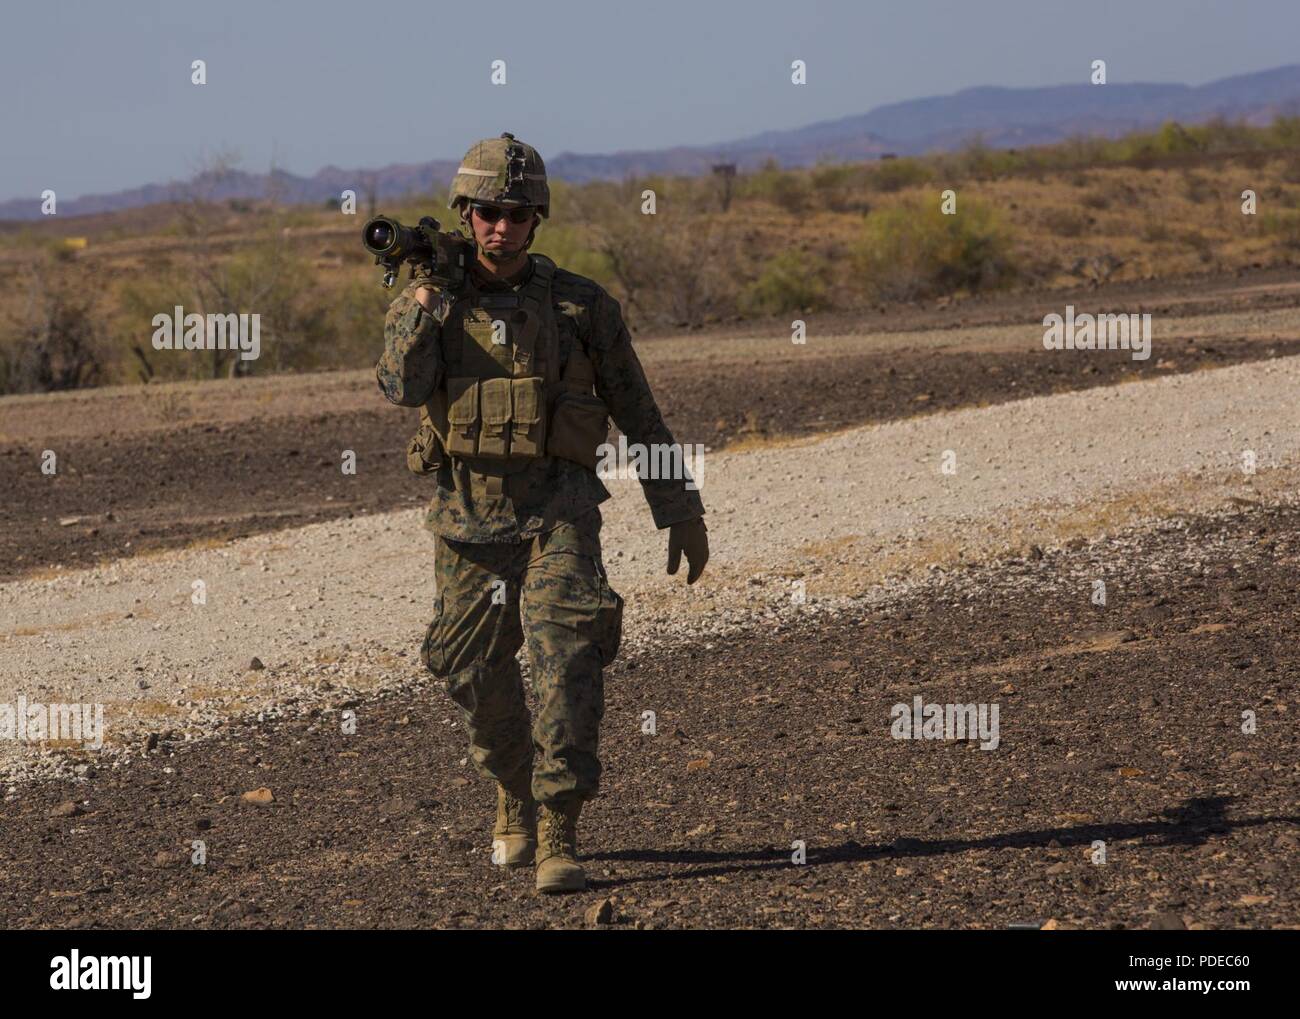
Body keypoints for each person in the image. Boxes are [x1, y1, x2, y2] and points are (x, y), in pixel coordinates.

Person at [375, 132, 709, 893]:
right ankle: (511, 787)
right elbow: (399, 385)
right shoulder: (430, 300)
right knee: (469, 672)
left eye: (518, 213)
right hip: (466, 525)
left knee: (568, 657)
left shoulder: (582, 307)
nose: (502, 226)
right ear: (464, 214)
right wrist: (424, 300)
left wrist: (678, 507)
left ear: (538, 219)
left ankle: (559, 826)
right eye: (488, 211)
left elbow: (638, 411)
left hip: (559, 515)